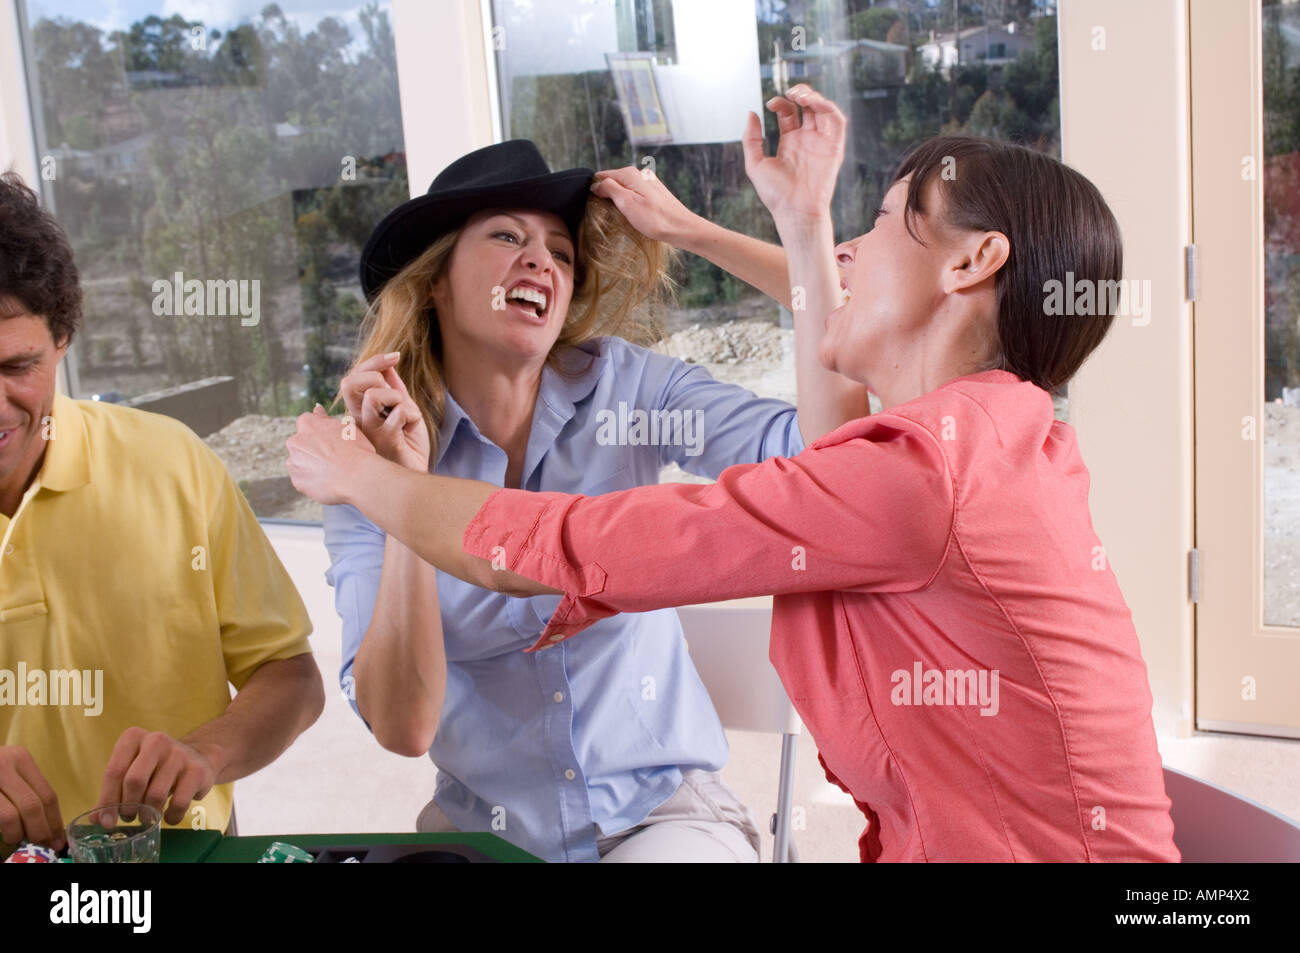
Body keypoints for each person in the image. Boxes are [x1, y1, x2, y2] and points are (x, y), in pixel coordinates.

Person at [288, 88, 1181, 862]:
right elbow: (835, 448)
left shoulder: (923, 470)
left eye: (875, 223)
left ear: (972, 262)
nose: (847, 256)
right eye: (507, 238)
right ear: (436, 282)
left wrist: (359, 478)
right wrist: (797, 224)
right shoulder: (965, 446)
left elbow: (566, 546)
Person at [319, 122, 865, 863]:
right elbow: (403, 726)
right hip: (488, 838)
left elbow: (830, 456)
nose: (540, 258)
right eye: (509, 237)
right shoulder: (364, 464)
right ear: (437, 279)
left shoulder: (630, 389)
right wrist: (402, 492)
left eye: (561, 252)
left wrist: (738, 231)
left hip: (661, 822)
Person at [0, 171, 324, 855]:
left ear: (63, 340)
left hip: (184, 852)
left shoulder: (173, 464)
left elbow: (291, 677)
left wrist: (205, 753)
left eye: (16, 367)